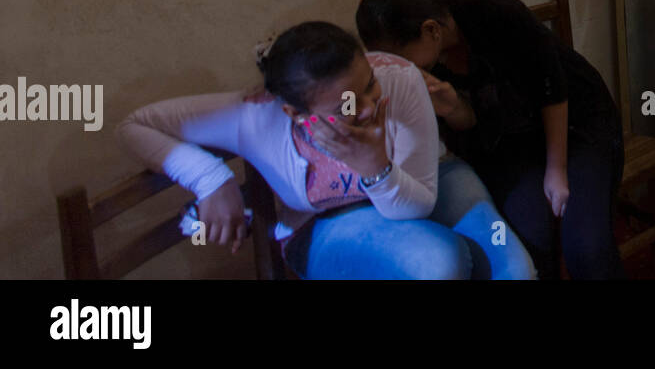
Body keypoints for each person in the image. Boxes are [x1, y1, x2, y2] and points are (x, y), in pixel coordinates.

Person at [117, 21, 535, 279]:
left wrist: (377, 168)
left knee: (515, 271)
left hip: (425, 183)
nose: (371, 105)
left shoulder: (399, 77)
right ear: (294, 113)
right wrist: (211, 180)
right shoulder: (255, 115)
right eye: (347, 106)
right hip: (326, 221)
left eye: (369, 83)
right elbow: (135, 124)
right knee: (439, 264)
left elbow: (419, 203)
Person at [355, 0, 625, 279]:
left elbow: (550, 84)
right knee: (528, 240)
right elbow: (471, 128)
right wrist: (453, 107)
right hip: (511, 143)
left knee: (586, 247)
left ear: (431, 30)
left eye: (399, 56)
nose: (395, 67)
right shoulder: (420, 72)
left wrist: (556, 169)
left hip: (576, 123)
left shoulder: (489, 9)